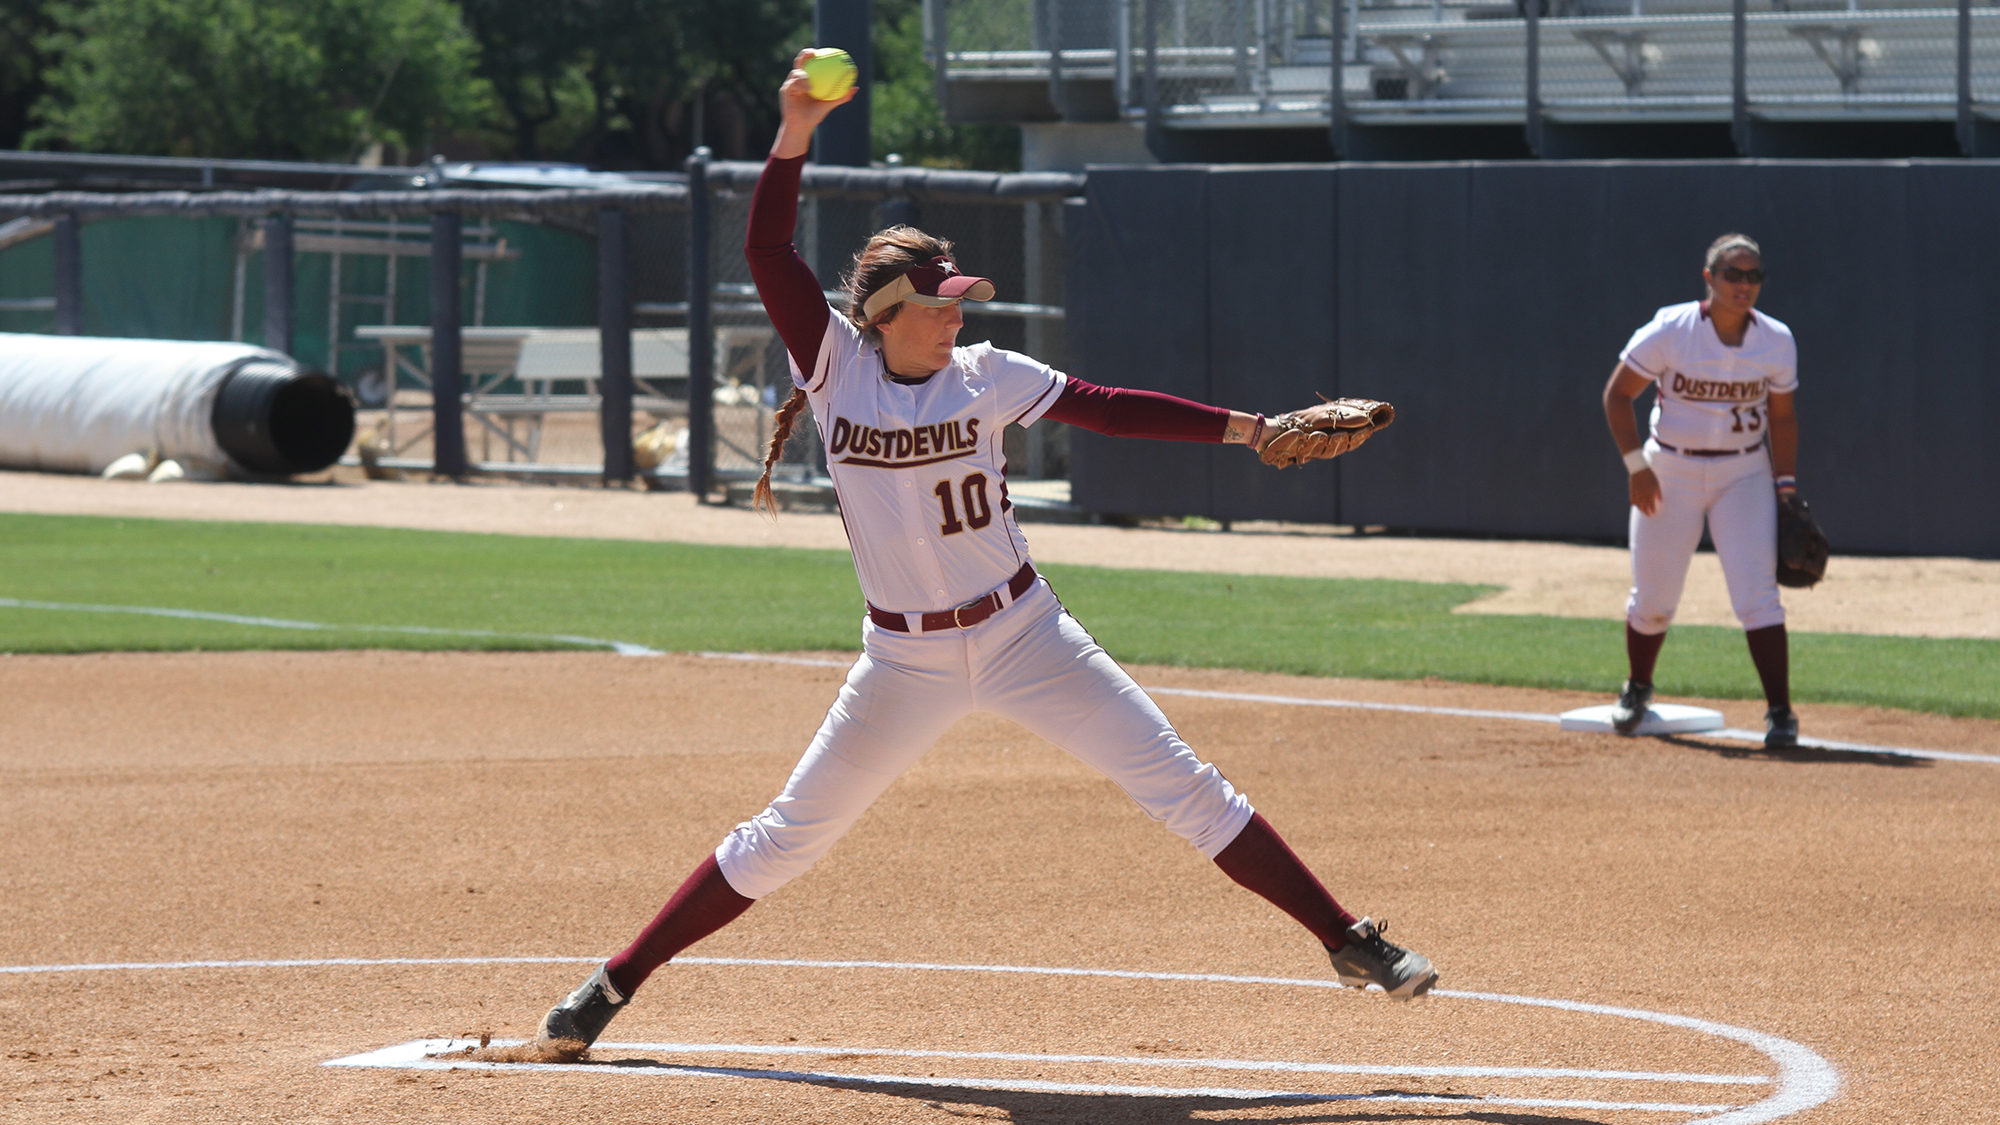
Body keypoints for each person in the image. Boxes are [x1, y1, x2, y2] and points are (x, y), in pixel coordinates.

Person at [529, 53, 1437, 1056]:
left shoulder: (986, 374)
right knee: (784, 839)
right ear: (886, 319)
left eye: (958, 296)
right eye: (939, 300)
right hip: (901, 663)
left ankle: (1345, 939)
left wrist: (1251, 429)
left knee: (1186, 789)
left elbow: (1106, 407)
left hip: (1023, 633)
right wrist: (793, 129)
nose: (957, 310)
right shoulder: (834, 369)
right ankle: (610, 986)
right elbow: (767, 247)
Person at [1602, 233, 1801, 749]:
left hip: (1744, 474)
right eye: (1734, 274)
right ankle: (1638, 687)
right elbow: (1617, 395)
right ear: (1709, 278)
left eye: (1754, 276)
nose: (1745, 285)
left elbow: (1782, 417)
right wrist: (1635, 466)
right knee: (1653, 600)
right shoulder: (1674, 328)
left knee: (1758, 597)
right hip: (1670, 470)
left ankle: (1781, 713)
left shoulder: (1776, 339)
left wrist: (1786, 488)